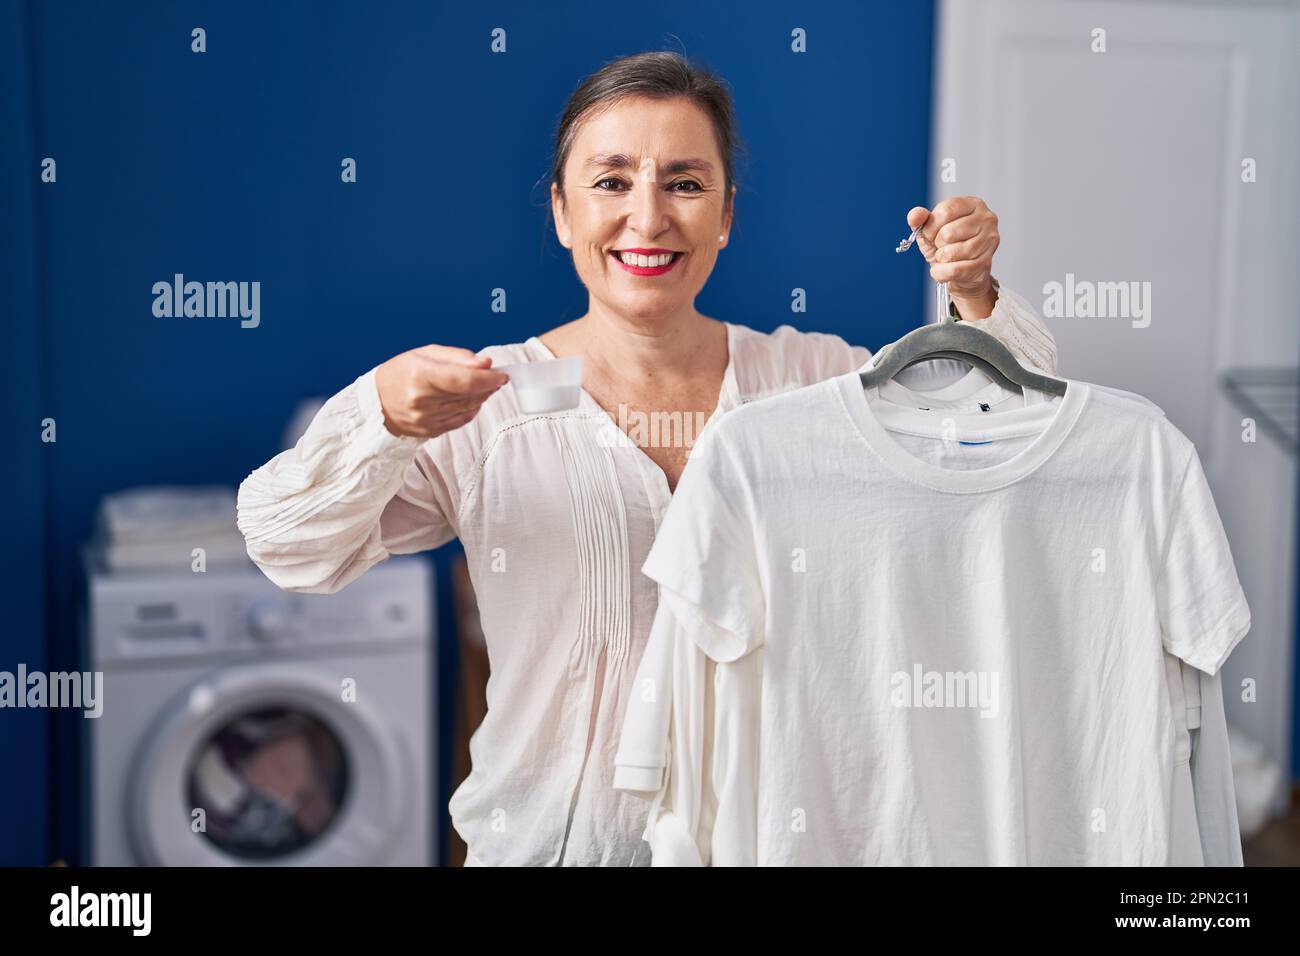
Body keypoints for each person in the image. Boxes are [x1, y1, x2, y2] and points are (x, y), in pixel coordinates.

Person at [236, 51, 1058, 866]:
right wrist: (384, 414)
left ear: (727, 214)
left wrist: (976, 297)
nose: (649, 215)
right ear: (561, 212)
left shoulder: (817, 382)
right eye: (611, 181)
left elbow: (1016, 447)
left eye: (686, 183)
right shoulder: (485, 404)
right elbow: (287, 545)